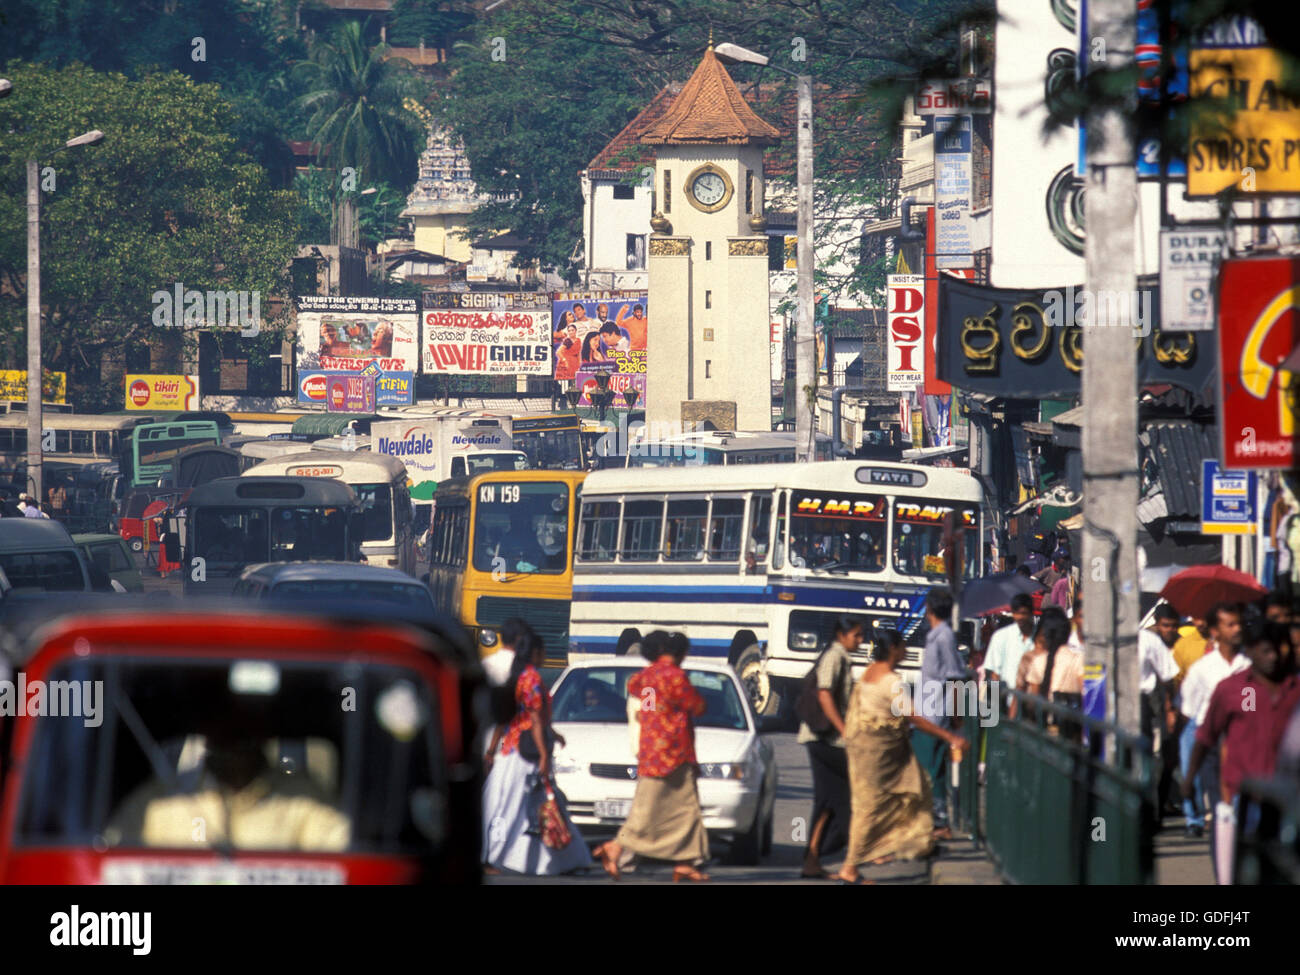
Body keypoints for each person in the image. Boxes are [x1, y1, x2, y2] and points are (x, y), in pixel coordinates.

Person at [836, 629, 968, 884]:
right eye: (903, 646)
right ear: (894, 649)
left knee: (900, 796)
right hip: (879, 756)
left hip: (870, 751)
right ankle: (850, 867)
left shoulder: (869, 672)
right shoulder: (890, 681)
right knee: (874, 807)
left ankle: (903, 846)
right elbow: (913, 717)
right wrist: (950, 737)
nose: (906, 651)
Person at [1183, 617, 1299, 880]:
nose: (1274, 657)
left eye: (1279, 649)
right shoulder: (1236, 690)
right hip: (1243, 796)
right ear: (1251, 651)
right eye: (1266, 650)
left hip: (1288, 798)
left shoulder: (1295, 691)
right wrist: (1190, 778)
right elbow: (1207, 735)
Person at [595, 631, 710, 882]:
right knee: (670, 809)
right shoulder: (676, 677)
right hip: (674, 753)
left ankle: (686, 861)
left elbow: (646, 710)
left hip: (650, 752)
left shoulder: (645, 677)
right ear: (680, 653)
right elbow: (698, 706)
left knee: (670, 808)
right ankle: (616, 848)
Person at [137, 717, 350, 851]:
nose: (234, 746)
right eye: (224, 734)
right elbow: (114, 860)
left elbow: (341, 859)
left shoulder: (305, 802)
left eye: (243, 735)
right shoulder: (161, 803)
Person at [481, 632, 590, 875]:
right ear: (535, 653)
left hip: (514, 748)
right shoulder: (531, 679)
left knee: (541, 806)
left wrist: (492, 749)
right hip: (525, 753)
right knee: (518, 808)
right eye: (543, 652)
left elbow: (508, 717)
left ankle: (568, 859)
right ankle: (492, 857)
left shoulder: (517, 677)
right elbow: (535, 720)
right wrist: (543, 753)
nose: (545, 656)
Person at [796, 615, 860, 878]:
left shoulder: (841, 657)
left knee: (825, 802)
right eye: (856, 635)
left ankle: (811, 862)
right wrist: (844, 730)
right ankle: (851, 867)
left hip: (824, 738)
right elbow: (824, 693)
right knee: (846, 800)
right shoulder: (835, 657)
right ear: (841, 635)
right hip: (826, 740)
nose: (860, 640)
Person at [1177, 602, 1247, 840]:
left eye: (1239, 623)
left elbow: (1252, 708)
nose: (1237, 629)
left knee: (1236, 806)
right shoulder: (1202, 669)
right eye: (1230, 625)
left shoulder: (1248, 666)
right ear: (1216, 631)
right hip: (1209, 740)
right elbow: (1189, 710)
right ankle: (1196, 821)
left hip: (1240, 742)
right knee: (1219, 807)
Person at [915, 588, 969, 835]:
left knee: (932, 769)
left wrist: (957, 715)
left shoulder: (944, 636)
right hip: (927, 711)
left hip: (936, 713)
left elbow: (955, 677)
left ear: (929, 609)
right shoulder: (937, 635)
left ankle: (940, 822)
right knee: (926, 768)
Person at [1140, 604, 1182, 817]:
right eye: (1166, 626)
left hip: (1154, 707)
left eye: (1174, 626)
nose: (1170, 630)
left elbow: (1169, 680)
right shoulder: (1146, 639)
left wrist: (1169, 709)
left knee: (1159, 755)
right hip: (1137, 704)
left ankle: (1157, 804)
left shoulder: (1159, 642)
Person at [982, 593, 1035, 704]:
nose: (1020, 617)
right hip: (1004, 700)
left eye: (1023, 613)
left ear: (1031, 613)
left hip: (1031, 703)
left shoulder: (1039, 639)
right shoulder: (1001, 636)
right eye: (1017, 613)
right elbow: (993, 672)